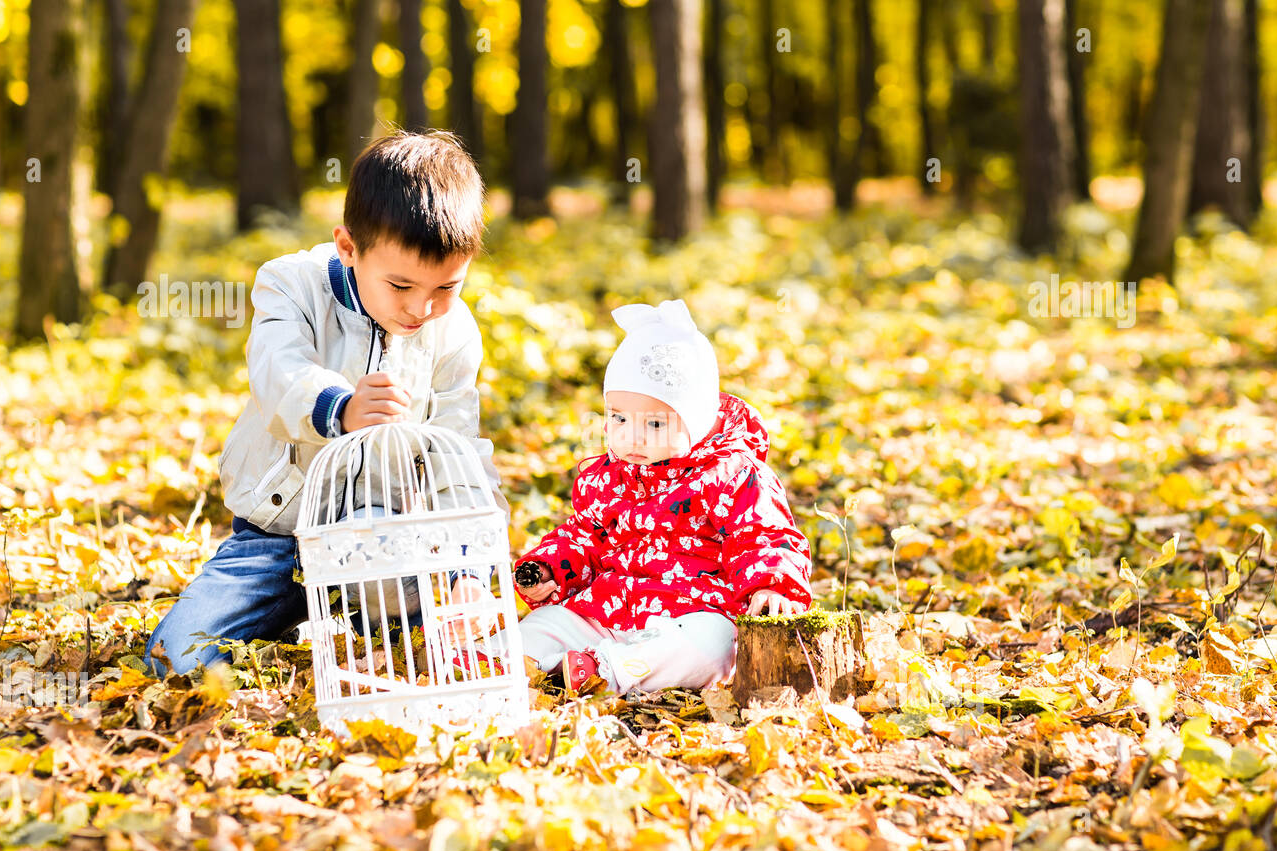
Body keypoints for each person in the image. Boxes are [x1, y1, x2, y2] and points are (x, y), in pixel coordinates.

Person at [145, 131, 505, 677]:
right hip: (278, 537)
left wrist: (470, 563)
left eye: (445, 288)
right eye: (401, 286)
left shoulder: (453, 332)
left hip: (381, 541)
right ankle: (300, 609)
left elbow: (456, 452)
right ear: (348, 247)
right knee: (177, 660)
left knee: (440, 632)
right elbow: (276, 373)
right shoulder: (292, 285)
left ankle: (371, 618)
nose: (422, 308)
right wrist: (339, 408)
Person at [512, 299, 812, 695]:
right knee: (539, 627)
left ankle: (607, 670)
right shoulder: (605, 477)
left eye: (654, 422)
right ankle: (530, 662)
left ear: (697, 420)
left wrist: (772, 584)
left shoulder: (732, 474)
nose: (631, 436)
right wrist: (549, 569)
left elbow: (764, 534)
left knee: (713, 643)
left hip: (688, 615)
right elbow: (584, 538)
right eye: (618, 417)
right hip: (605, 611)